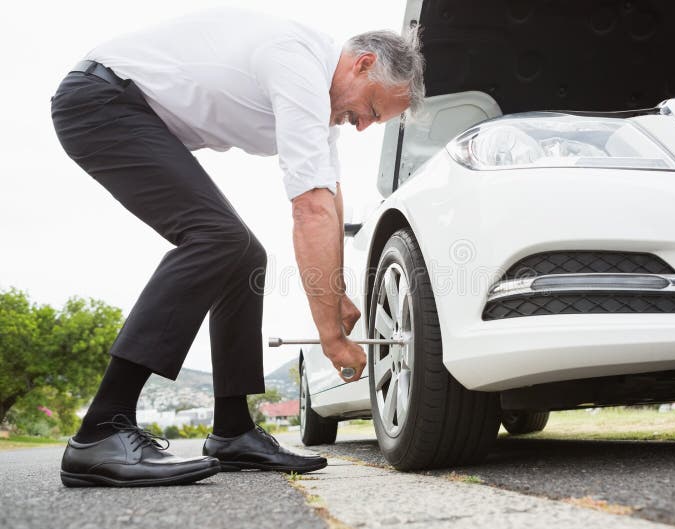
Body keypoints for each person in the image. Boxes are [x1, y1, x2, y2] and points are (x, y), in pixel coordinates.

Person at [51, 7, 425, 487]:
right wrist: (330, 335)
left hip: (128, 108)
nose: (363, 126)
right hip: (102, 101)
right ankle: (100, 430)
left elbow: (329, 201)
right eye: (373, 109)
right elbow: (308, 209)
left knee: (243, 254)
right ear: (363, 64)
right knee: (218, 239)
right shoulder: (298, 63)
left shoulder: (320, 103)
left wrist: (337, 299)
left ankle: (232, 430)